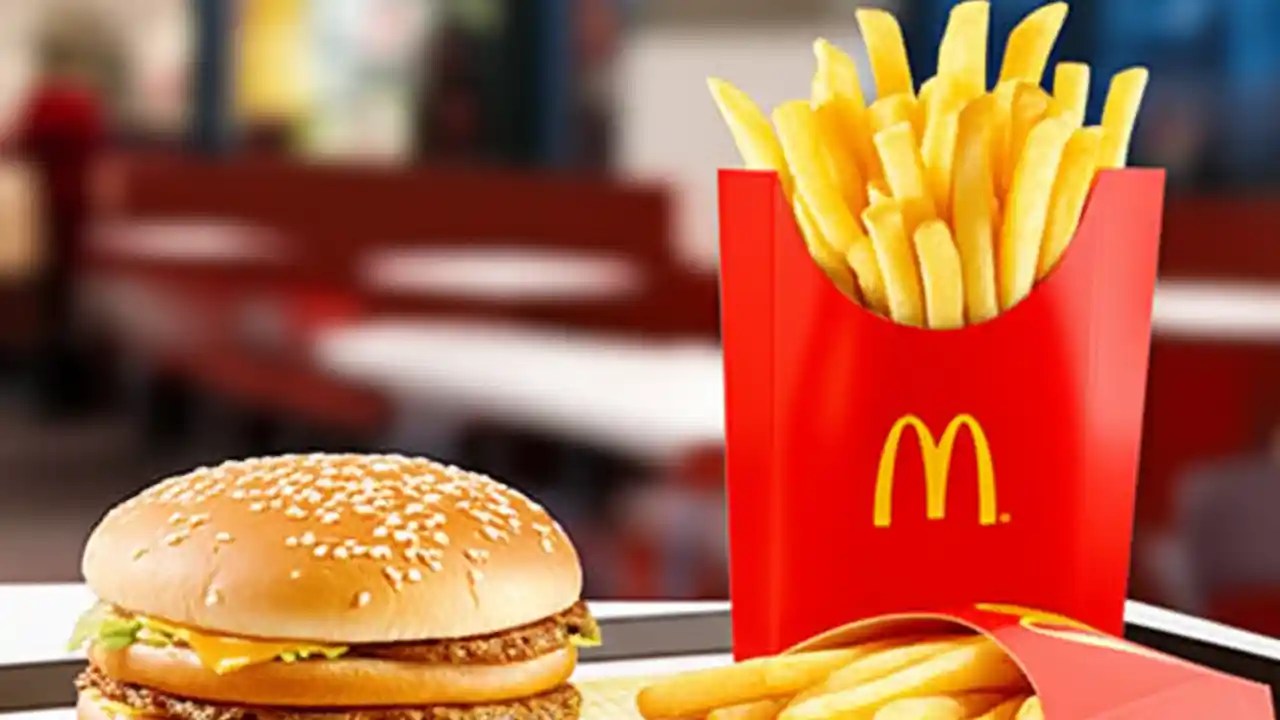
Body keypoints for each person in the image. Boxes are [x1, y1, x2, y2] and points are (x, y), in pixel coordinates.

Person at [8, 11, 112, 415]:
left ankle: (59, 387)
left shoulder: (53, 102)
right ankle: (62, 385)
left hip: (52, 216)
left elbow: (18, 142)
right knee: (65, 301)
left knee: (57, 301)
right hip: (72, 214)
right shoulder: (82, 101)